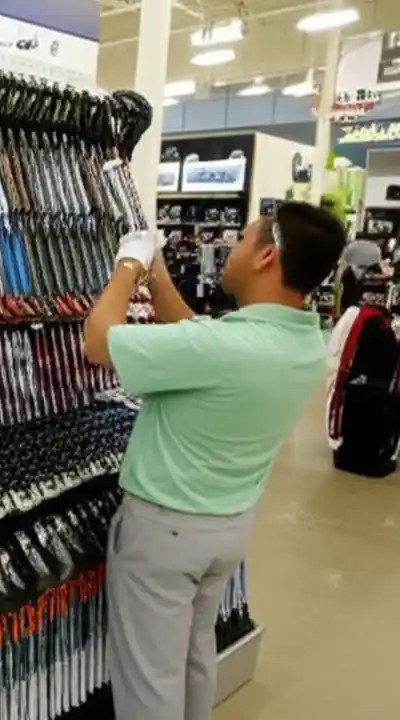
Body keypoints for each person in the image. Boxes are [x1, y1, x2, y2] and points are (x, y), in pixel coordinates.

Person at [81, 202, 347, 720]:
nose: (233, 246)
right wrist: (159, 279)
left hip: (166, 534)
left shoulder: (226, 347)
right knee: (193, 659)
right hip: (228, 528)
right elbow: (199, 339)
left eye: (244, 239)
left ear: (267, 256)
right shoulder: (302, 341)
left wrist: (129, 266)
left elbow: (98, 341)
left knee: (150, 680)